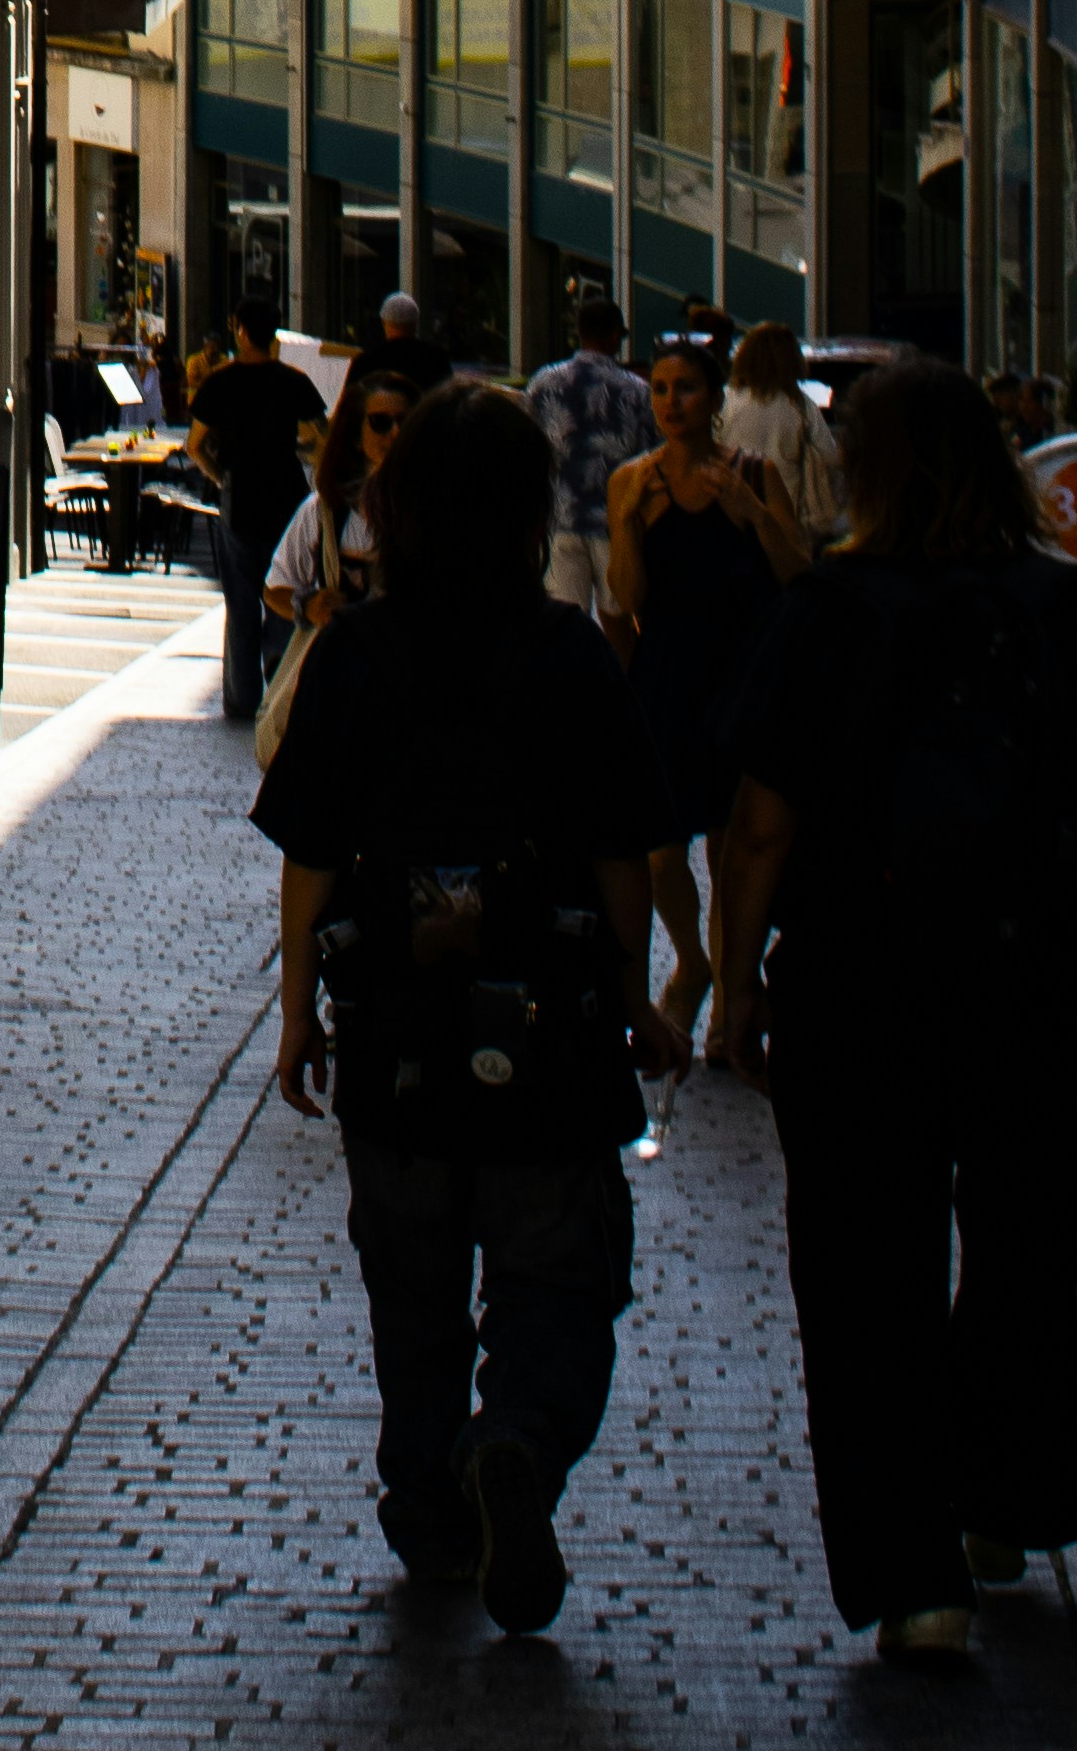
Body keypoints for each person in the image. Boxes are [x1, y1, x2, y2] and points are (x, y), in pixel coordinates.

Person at [709, 356, 1077, 1662]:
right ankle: (1002, 1500)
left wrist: (732, 989)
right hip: (1037, 980)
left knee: (862, 1273)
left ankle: (913, 1582)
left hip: (854, 984)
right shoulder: (1067, 609)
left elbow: (760, 828)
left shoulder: (825, 611)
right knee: (1021, 1246)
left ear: (866, 473)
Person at [258, 375, 683, 1632]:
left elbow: (308, 854)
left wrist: (297, 1010)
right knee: (560, 1272)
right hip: (548, 1017)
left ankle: (432, 1496)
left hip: (392, 1019)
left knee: (413, 1278)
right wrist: (635, 987)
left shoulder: (357, 654)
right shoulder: (568, 652)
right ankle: (521, 1442)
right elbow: (624, 846)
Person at [607, 339, 807, 1028]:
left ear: (717, 398)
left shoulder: (753, 472)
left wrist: (753, 515)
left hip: (740, 675)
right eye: (659, 389)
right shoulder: (632, 482)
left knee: (733, 850)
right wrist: (630, 525)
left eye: (686, 388)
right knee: (661, 854)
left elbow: (799, 579)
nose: (671, 402)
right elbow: (626, 595)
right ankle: (692, 960)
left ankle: (730, 996)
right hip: (666, 674)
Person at [185, 297, 327, 723]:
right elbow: (323, 437)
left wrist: (218, 476)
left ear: (239, 329)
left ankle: (242, 698)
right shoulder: (294, 381)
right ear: (275, 333)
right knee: (285, 592)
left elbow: (195, 446)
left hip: (240, 496)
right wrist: (300, 450)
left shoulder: (219, 382)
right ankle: (280, 687)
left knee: (241, 600)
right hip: (286, 496)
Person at [269, 353, 425, 629]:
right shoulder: (323, 511)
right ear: (355, 436)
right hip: (345, 664)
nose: (396, 432)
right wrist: (309, 605)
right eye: (381, 423)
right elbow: (276, 587)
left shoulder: (438, 508)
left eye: (406, 420)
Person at [527, 294, 655, 615]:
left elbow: (526, 447)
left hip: (560, 517)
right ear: (615, 336)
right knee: (619, 618)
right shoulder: (636, 390)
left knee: (564, 619)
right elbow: (651, 455)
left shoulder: (544, 383)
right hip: (615, 522)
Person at [720, 322, 842, 542]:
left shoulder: (724, 401)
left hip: (730, 515)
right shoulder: (801, 406)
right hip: (785, 522)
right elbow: (829, 457)